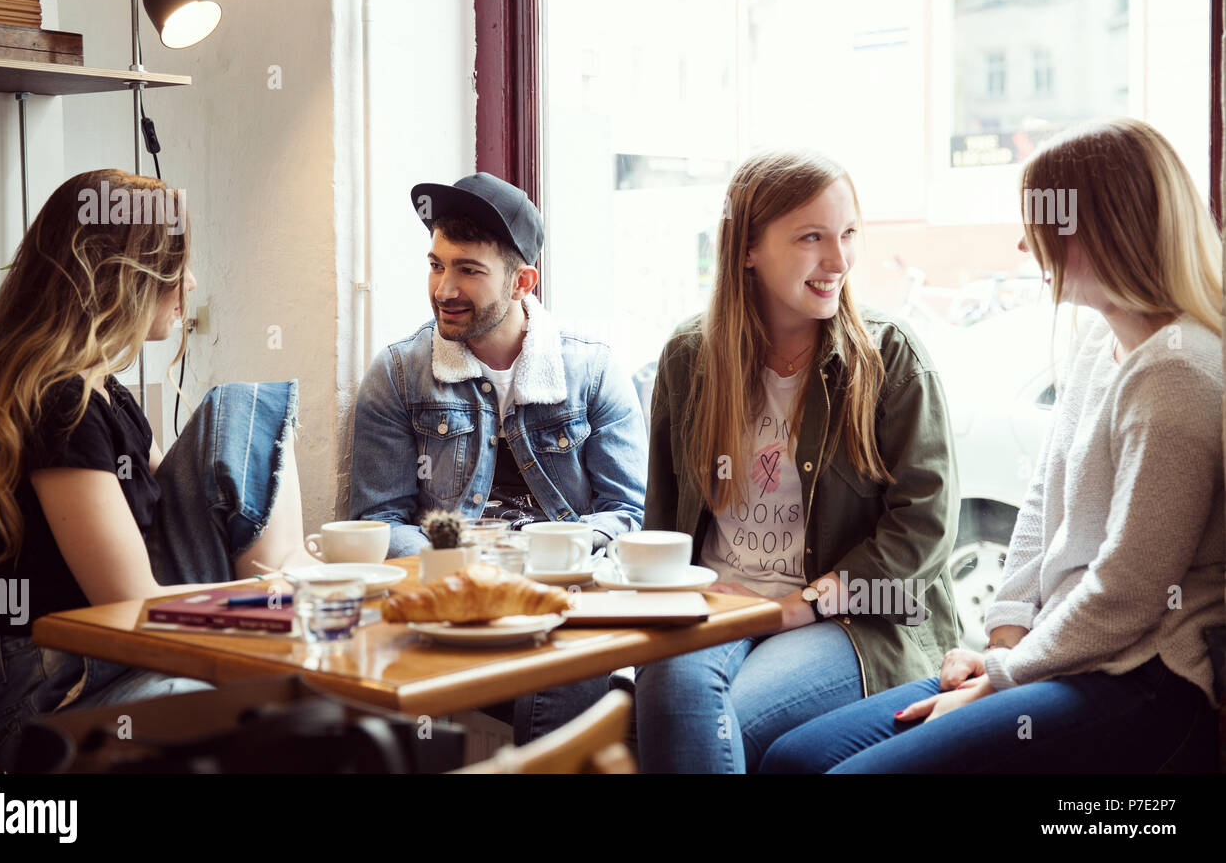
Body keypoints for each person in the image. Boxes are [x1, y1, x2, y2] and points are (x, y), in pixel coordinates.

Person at [760, 117, 1225, 774]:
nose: (1023, 242)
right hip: (1063, 654)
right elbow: (1041, 506)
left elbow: (1130, 594)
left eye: (1039, 225)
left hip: (1141, 676)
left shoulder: (1177, 375)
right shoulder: (1101, 342)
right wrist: (1004, 634)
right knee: (792, 758)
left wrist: (1005, 673)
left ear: (1101, 231)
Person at [0, 169, 309, 772]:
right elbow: (132, 602)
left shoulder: (105, 393)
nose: (191, 282)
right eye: (176, 265)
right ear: (123, 279)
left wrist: (273, 594)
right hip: (61, 693)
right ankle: (286, 593)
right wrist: (261, 607)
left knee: (239, 406)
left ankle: (291, 580)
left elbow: (184, 507)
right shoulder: (59, 405)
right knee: (276, 710)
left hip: (114, 656)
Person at [636, 148, 962, 773]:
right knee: (670, 692)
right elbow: (664, 519)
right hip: (718, 603)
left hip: (857, 619)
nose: (838, 261)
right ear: (748, 250)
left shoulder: (889, 359)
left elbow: (925, 530)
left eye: (846, 235)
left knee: (736, 719)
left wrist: (806, 603)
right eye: (812, 237)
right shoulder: (688, 357)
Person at [349, 171, 648, 743]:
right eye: (436, 265)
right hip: (453, 597)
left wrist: (534, 559)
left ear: (521, 282)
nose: (444, 289)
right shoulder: (397, 374)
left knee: (576, 664)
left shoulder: (592, 371)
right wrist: (471, 568)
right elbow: (377, 522)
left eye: (469, 270)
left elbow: (628, 512)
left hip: (565, 593)